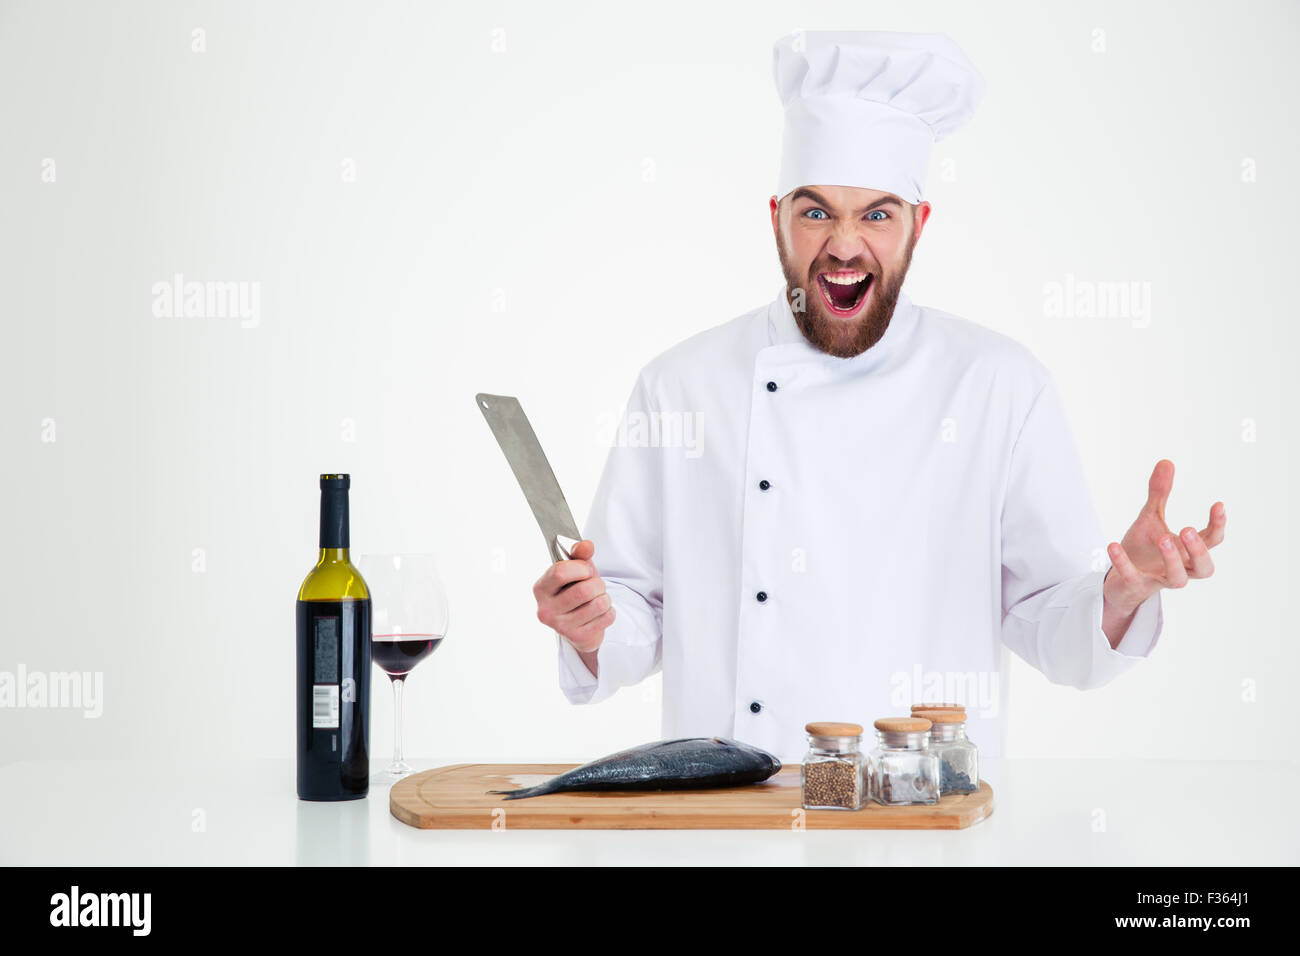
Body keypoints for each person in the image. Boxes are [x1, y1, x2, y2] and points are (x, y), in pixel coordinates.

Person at [532, 31, 1225, 760]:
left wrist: (1118, 599)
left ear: (918, 225)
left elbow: (1054, 625)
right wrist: (591, 625)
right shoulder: (678, 386)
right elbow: (631, 609)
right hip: (728, 821)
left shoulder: (998, 385)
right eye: (816, 212)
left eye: (877, 214)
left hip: (924, 817)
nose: (843, 244)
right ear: (776, 216)